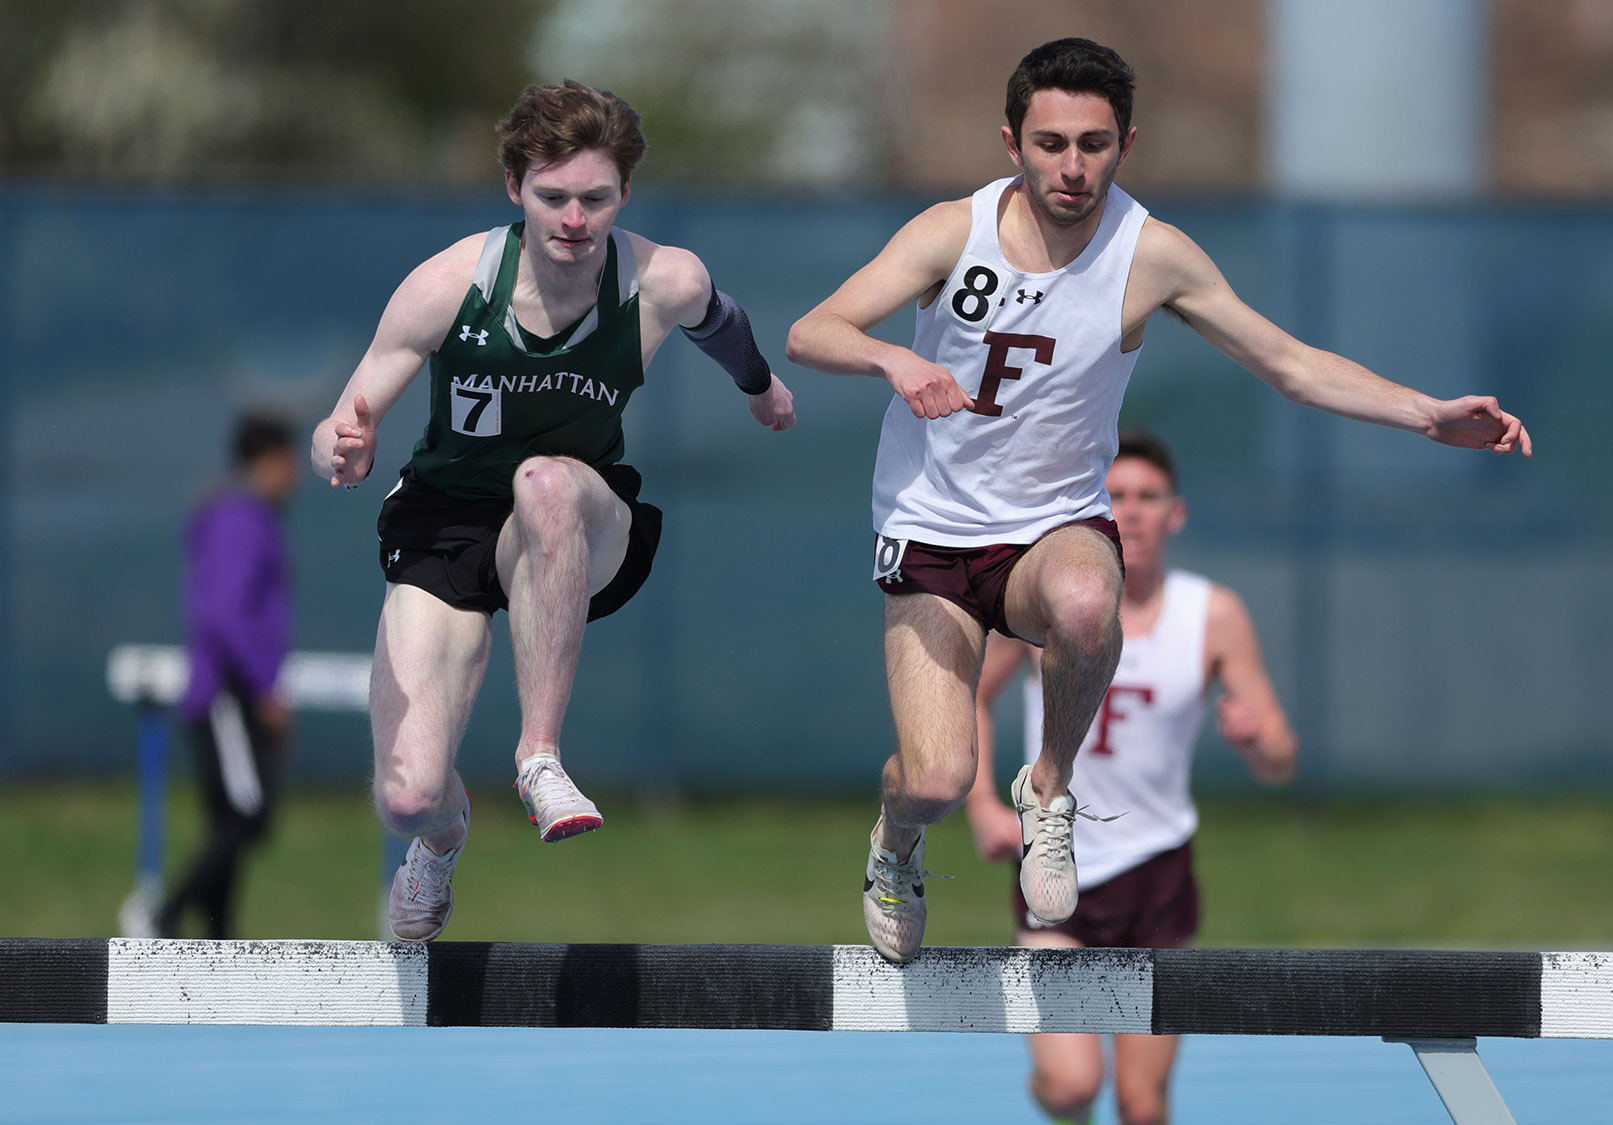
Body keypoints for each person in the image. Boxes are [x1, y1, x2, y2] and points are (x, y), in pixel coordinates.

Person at [785, 37, 1528, 963]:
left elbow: (1288, 363)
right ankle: (896, 843)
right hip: (932, 532)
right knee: (937, 777)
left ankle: (1050, 791)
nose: (1071, 166)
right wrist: (895, 356)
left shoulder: (1154, 254)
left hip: (1051, 528)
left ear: (1125, 144)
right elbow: (812, 331)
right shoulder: (952, 232)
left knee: (1091, 600)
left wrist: (1426, 414)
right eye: (1051, 143)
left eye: (1093, 144)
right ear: (1011, 140)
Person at [311, 80, 795, 942]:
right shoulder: (446, 287)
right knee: (406, 794)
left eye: (595, 199)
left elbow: (723, 324)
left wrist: (760, 388)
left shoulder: (661, 279)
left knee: (544, 482)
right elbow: (349, 416)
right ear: (514, 189)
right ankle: (444, 841)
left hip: (577, 515)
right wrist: (340, 446)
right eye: (554, 197)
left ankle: (540, 758)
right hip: (447, 520)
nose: (575, 219)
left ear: (624, 196)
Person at [966, 430, 1294, 1125]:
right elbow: (967, 698)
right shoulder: (1045, 605)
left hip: (1158, 871)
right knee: (1075, 1085)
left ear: (1175, 513)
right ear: (1092, 508)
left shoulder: (1213, 614)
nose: (1133, 511)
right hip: (1058, 870)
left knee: (1142, 1105)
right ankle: (1055, 1099)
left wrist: (1255, 739)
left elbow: (1280, 758)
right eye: (1116, 496)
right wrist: (983, 803)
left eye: (1148, 497)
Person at [155, 413, 299, 939]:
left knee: (228, 825)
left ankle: (218, 943)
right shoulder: (241, 519)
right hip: (227, 692)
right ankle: (160, 914)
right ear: (269, 460)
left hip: (234, 690)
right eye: (290, 462)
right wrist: (264, 688)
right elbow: (223, 613)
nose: (295, 476)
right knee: (248, 815)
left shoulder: (249, 518)